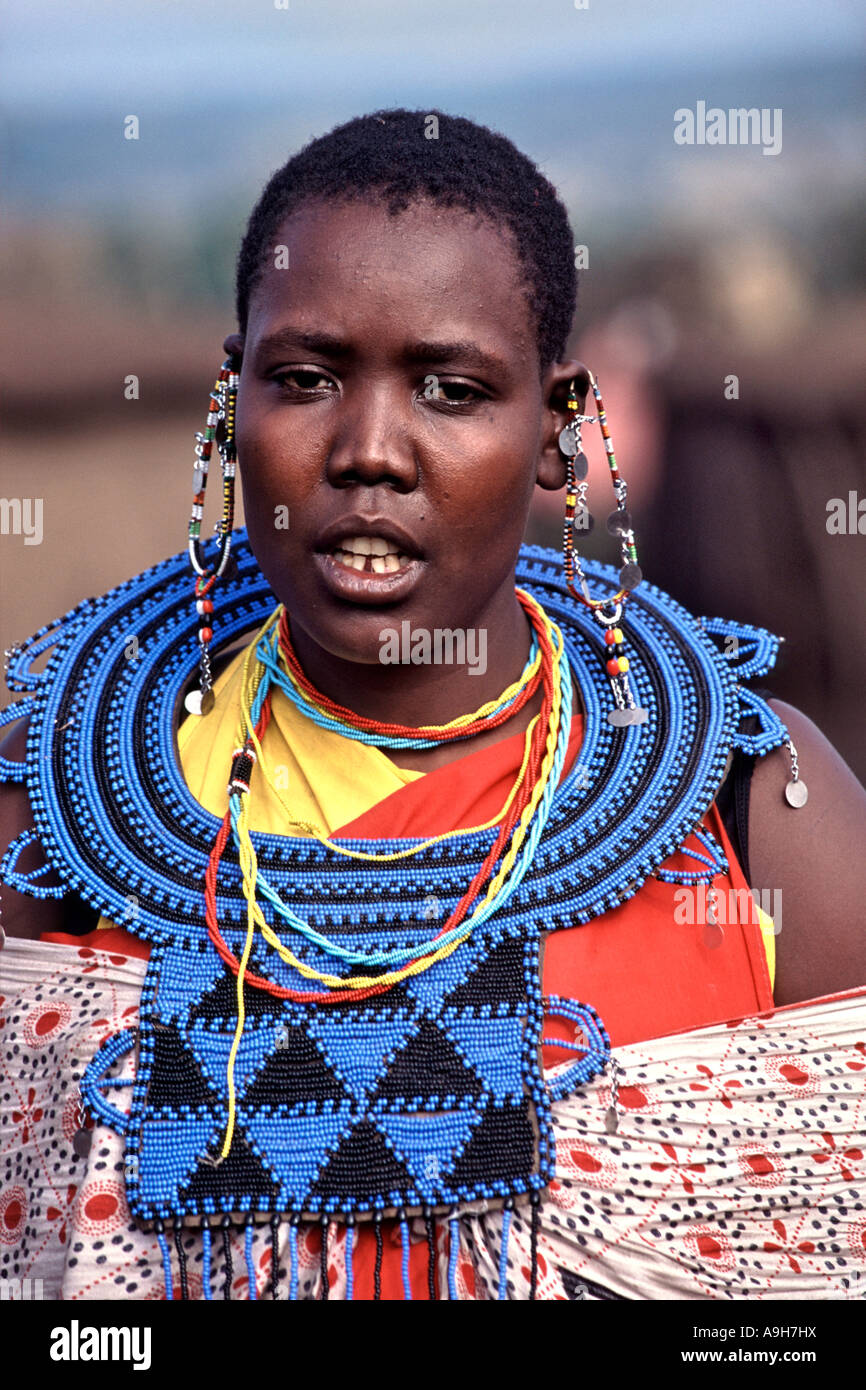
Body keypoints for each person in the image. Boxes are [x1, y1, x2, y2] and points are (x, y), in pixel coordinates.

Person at [2, 108, 865, 1302]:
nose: (368, 449)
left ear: (556, 435)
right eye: (303, 379)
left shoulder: (751, 806)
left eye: (450, 390)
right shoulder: (51, 809)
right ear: (229, 401)